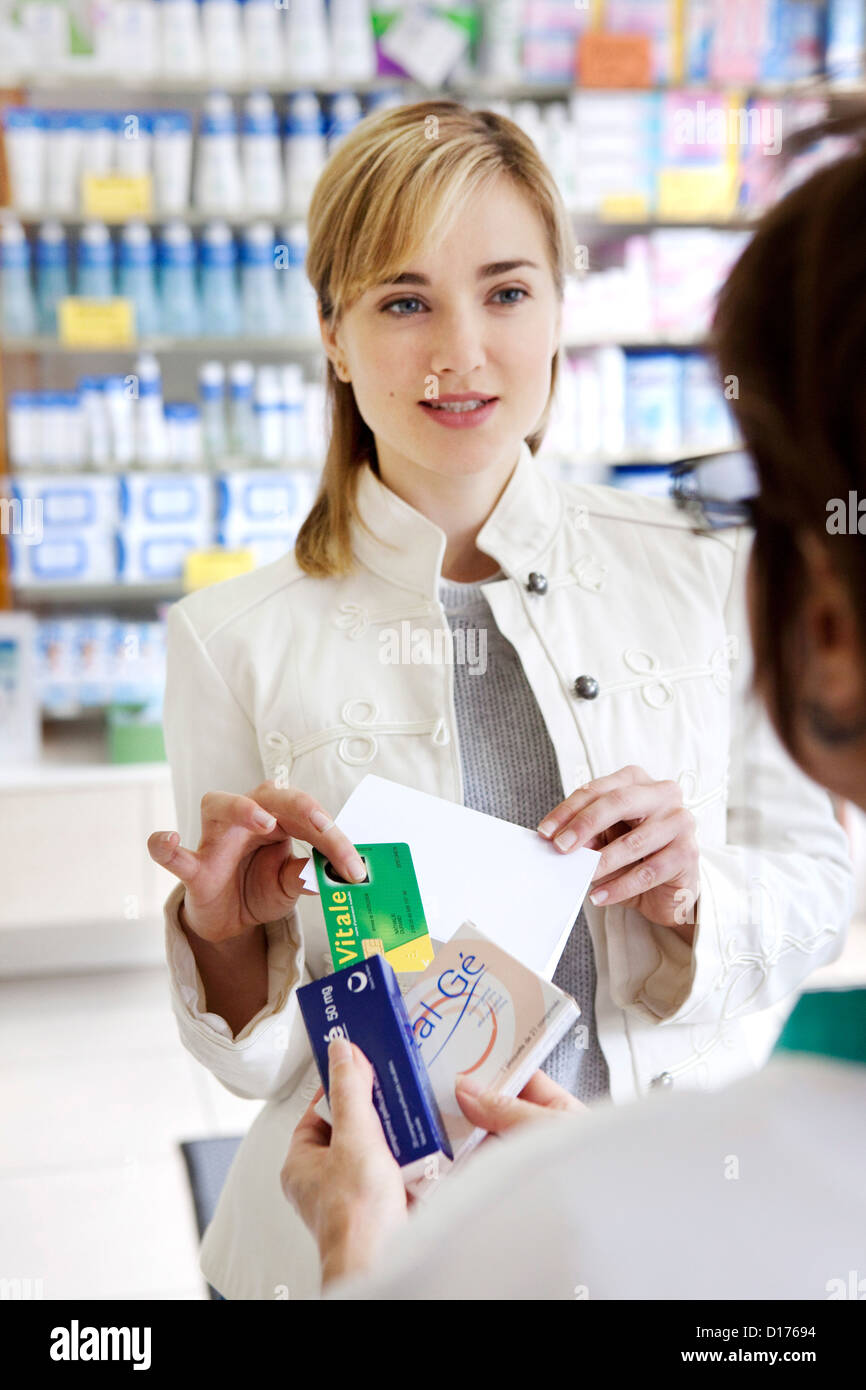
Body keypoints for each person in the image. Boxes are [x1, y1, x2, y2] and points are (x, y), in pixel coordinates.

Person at [147, 101, 852, 1301]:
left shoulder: (705, 568)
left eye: (507, 292)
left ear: (560, 312)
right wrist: (223, 940)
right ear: (331, 329)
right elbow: (252, 1055)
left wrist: (691, 896)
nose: (459, 350)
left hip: (658, 1232)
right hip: (355, 1237)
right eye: (403, 299)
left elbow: (818, 888)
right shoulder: (227, 639)